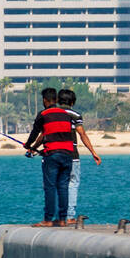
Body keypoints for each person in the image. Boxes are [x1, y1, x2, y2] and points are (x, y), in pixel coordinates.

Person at [22, 88, 79, 226]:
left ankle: (48, 219)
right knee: (63, 187)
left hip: (52, 155)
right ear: (56, 100)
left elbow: (36, 132)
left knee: (50, 186)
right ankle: (62, 219)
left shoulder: (43, 114)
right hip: (68, 154)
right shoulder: (66, 114)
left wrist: (28, 145)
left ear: (45, 100)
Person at [56, 88, 102, 219]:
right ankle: (70, 216)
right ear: (73, 102)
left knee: (58, 184)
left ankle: (60, 216)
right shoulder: (75, 115)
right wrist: (93, 152)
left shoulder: (51, 114)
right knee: (73, 184)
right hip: (72, 156)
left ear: (58, 100)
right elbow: (82, 134)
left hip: (54, 155)